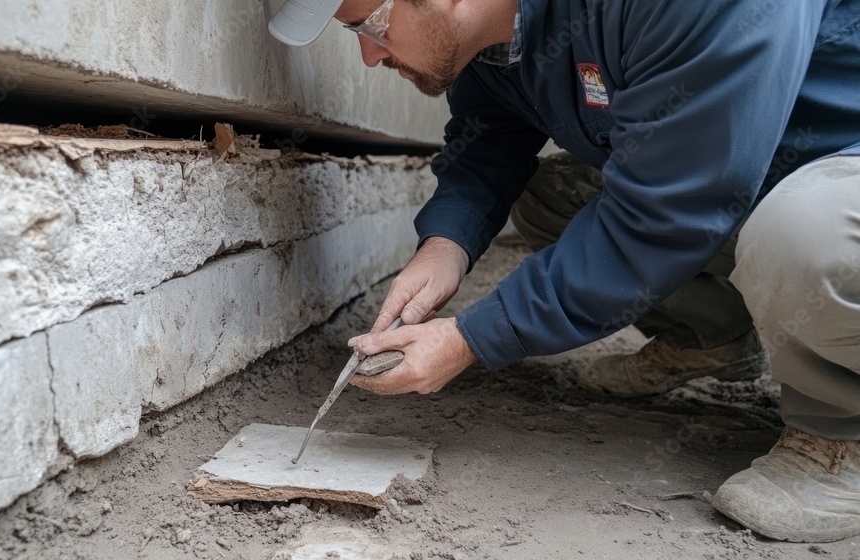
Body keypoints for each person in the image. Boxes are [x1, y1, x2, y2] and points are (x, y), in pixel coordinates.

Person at [269, 0, 860, 543]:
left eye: (367, 25)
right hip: (736, 173)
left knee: (806, 235)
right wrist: (445, 245)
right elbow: (491, 135)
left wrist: (472, 338)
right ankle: (716, 339)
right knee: (554, 197)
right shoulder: (495, 32)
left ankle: (839, 436)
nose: (370, 55)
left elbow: (667, 212)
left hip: (838, 169)